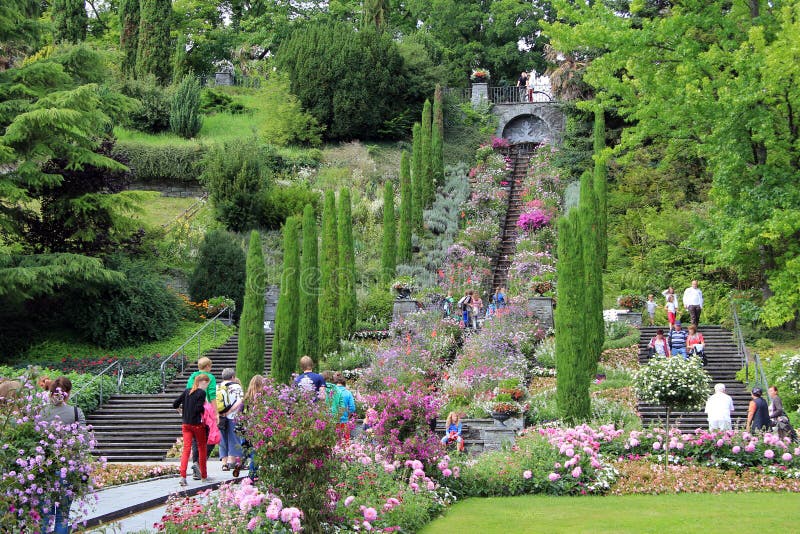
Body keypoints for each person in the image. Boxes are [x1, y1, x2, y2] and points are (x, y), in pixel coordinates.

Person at [40, 377, 86, 534]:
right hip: (67, 470)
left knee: (44, 516)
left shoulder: (40, 412)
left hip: (43, 470)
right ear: (69, 393)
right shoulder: (75, 412)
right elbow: (84, 442)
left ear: (51, 392)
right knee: (62, 516)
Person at [174, 373, 212, 486]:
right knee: (202, 448)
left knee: (186, 449)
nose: (207, 386)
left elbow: (175, 404)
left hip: (185, 424)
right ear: (202, 382)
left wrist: (182, 411)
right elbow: (199, 408)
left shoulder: (187, 391)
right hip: (197, 425)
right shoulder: (201, 393)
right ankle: (204, 476)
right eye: (207, 384)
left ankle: (183, 476)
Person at [185, 357, 216, 480]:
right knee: (210, 439)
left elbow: (188, 392)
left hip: (192, 412)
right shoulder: (210, 377)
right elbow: (212, 395)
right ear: (208, 366)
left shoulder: (193, 376)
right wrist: (216, 414)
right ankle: (198, 464)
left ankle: (195, 468)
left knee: (195, 440)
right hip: (205, 411)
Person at [216, 368, 244, 473]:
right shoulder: (236, 386)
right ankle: (235, 462)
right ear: (233, 377)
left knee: (222, 439)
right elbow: (240, 401)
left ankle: (224, 464)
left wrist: (218, 413)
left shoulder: (217, 387)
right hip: (233, 416)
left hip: (220, 417)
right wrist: (230, 411)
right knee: (235, 438)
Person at [240, 374, 266, 480]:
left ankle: (250, 467)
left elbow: (240, 413)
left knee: (251, 450)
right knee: (256, 451)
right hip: (258, 427)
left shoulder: (246, 398)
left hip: (246, 428)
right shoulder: (263, 397)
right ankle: (252, 473)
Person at [331, 372, 356, 442]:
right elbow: (352, 408)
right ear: (344, 382)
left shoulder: (331, 392)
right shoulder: (348, 393)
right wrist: (348, 416)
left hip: (332, 422)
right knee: (345, 445)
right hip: (344, 421)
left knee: (333, 444)